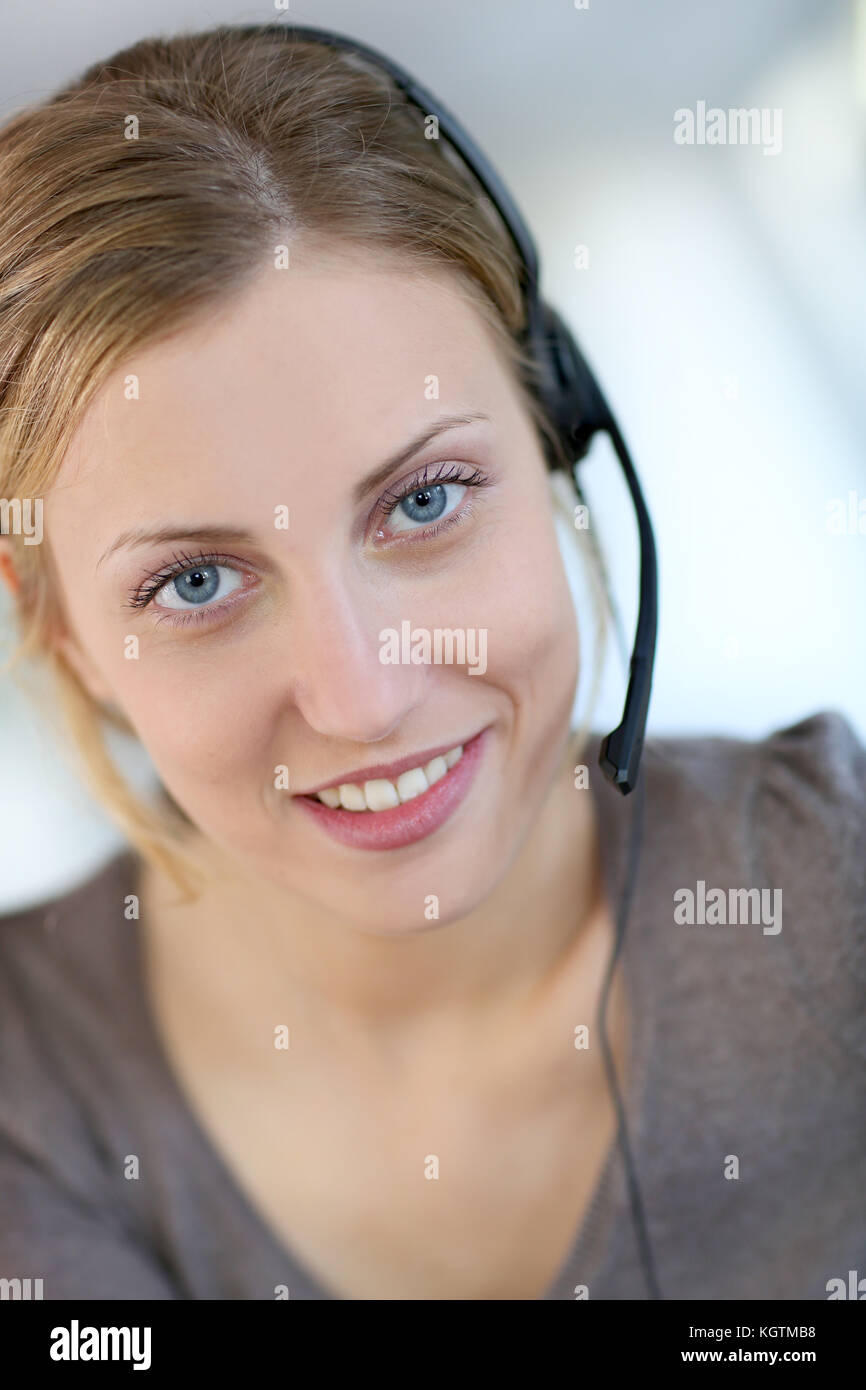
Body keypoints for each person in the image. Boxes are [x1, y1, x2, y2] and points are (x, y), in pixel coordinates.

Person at [0, 23, 863, 1302]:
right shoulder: (31, 1102)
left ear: (557, 430)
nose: (364, 695)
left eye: (422, 501)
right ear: (58, 626)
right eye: (195, 581)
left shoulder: (832, 901)